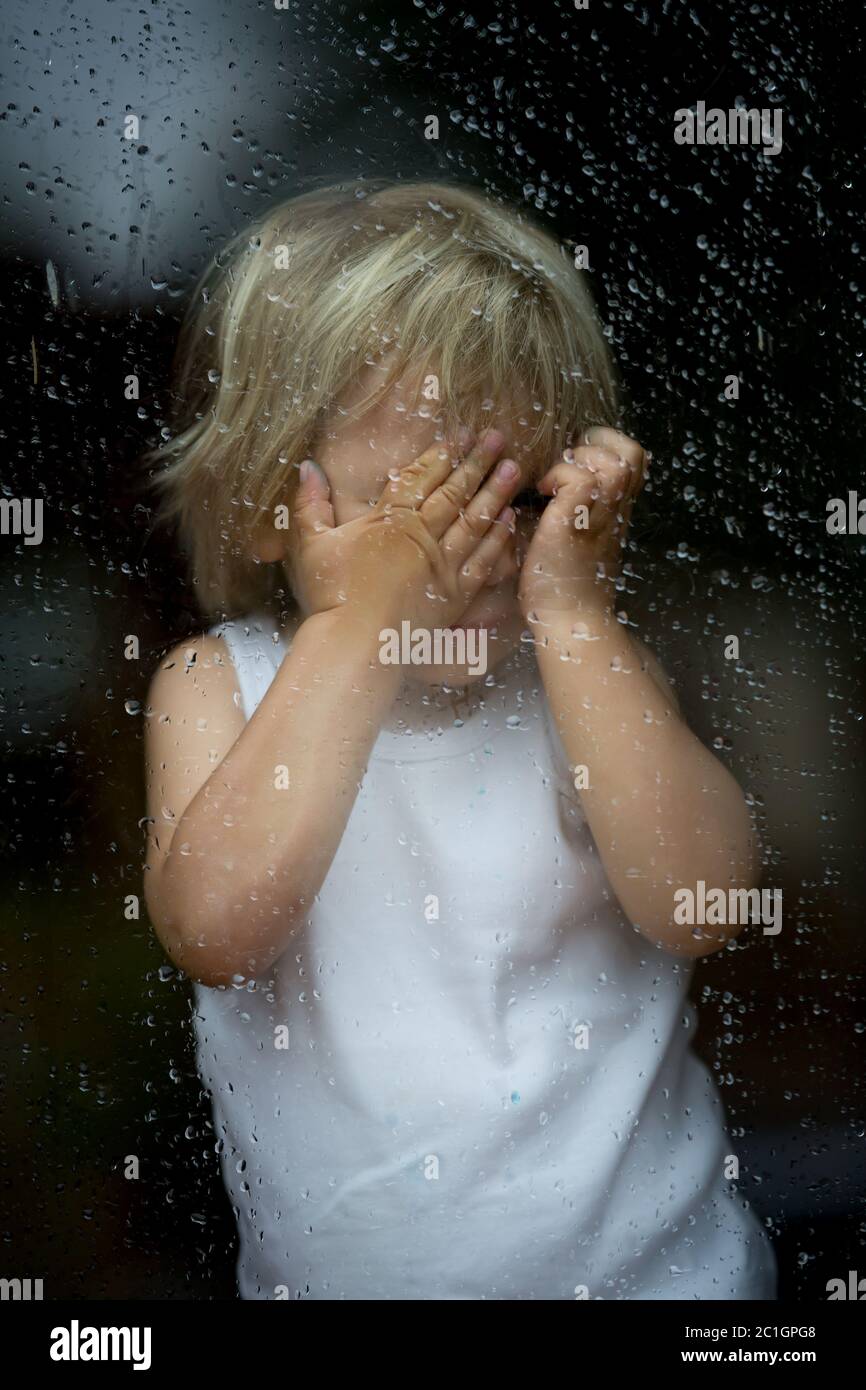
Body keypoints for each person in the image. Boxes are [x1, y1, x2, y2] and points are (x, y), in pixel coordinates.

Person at [142, 180, 777, 1300]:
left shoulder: (581, 682)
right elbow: (215, 928)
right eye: (419, 516)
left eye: (518, 499)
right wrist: (357, 625)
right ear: (262, 504)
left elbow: (705, 905)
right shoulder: (221, 687)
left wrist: (576, 617)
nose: (474, 557)